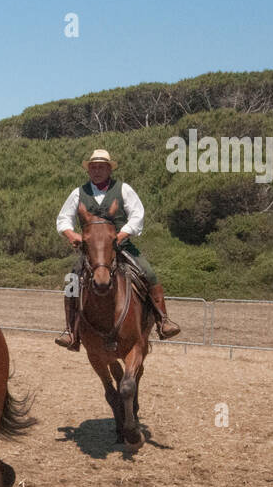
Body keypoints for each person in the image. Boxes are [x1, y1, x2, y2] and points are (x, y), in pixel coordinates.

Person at [54, 148, 181, 349]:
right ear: (88, 170)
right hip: (91, 251)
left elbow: (137, 215)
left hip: (122, 247)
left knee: (148, 272)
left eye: (101, 167)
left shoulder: (123, 189)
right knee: (71, 282)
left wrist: (122, 235)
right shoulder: (78, 193)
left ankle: (163, 320)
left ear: (109, 169)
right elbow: (63, 219)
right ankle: (71, 331)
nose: (97, 171)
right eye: (93, 167)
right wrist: (73, 235)